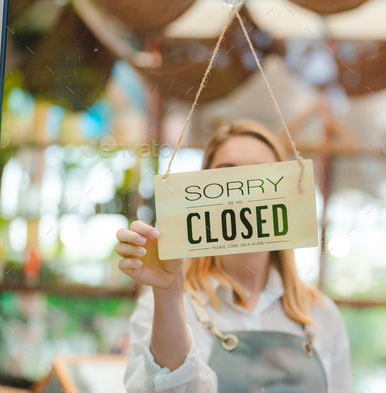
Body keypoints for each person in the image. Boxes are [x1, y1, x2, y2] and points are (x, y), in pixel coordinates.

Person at [116, 120, 352, 393]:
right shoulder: (164, 306)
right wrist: (168, 293)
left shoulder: (322, 315)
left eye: (258, 176)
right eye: (226, 177)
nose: (242, 193)